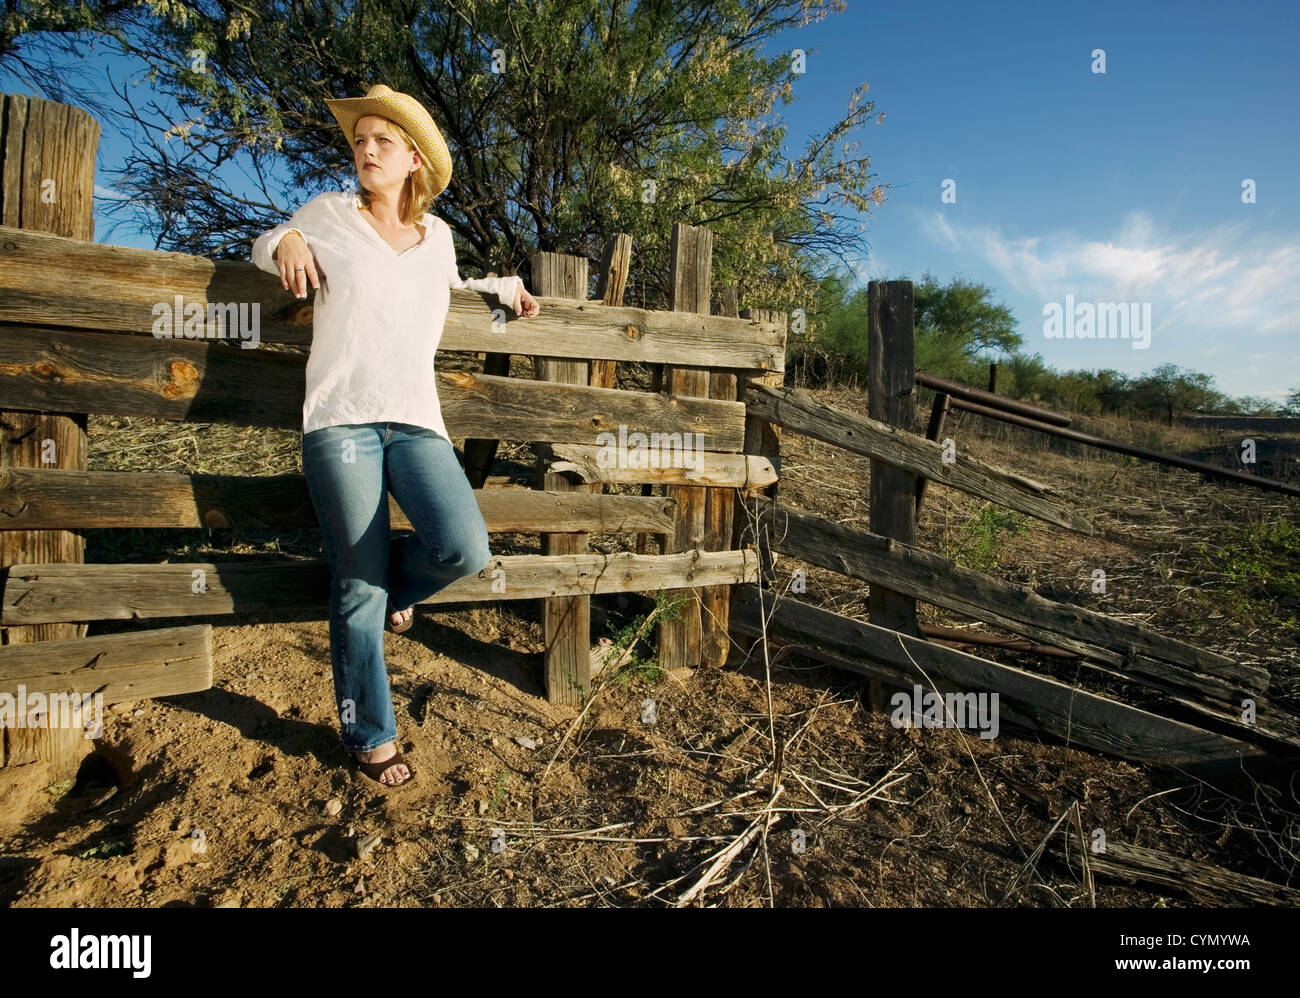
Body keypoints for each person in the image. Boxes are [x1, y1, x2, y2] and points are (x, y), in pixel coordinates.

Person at [251, 84, 540, 790]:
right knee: (357, 585)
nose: (367, 150)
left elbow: (450, 281)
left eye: (383, 140)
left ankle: (399, 590)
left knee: (464, 546)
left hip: (415, 420)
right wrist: (284, 238)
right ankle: (370, 734)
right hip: (341, 418)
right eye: (359, 140)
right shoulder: (327, 214)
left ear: (414, 158)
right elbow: (264, 245)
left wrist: (502, 288)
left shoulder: (436, 235)